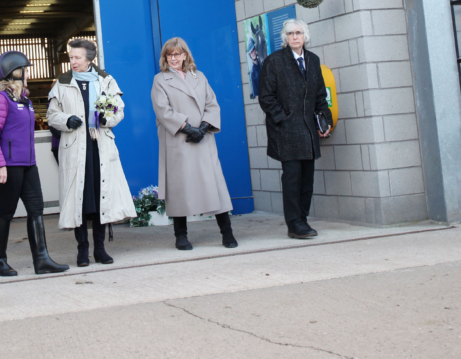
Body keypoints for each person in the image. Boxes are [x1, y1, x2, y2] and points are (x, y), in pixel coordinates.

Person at [47, 39, 136, 267]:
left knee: (100, 197)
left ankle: (100, 249)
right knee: (80, 200)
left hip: (100, 146)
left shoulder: (105, 81)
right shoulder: (63, 82)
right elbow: (52, 115)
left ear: (89, 59)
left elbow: (117, 108)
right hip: (75, 147)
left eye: (77, 57)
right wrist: (67, 119)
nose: (73, 61)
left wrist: (106, 118)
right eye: (71, 57)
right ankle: (82, 250)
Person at [0, 51, 68, 277]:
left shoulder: (24, 99)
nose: (28, 74)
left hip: (27, 164)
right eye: (25, 70)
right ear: (14, 72)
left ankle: (42, 260)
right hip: (8, 165)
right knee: (6, 212)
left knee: (36, 209)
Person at [151, 37, 238, 251]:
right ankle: (181, 236)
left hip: (203, 138)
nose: (173, 58)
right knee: (179, 188)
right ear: (165, 58)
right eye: (169, 55)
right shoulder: (160, 80)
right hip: (179, 139)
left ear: (185, 55)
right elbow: (163, 110)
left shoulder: (199, 77)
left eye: (177, 54)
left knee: (214, 185)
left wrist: (203, 128)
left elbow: (212, 104)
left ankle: (227, 233)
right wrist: (188, 128)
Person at [258, 18, 331, 239]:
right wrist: (284, 119)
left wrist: (323, 121)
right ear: (285, 38)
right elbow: (266, 97)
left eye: (298, 33)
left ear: (305, 36)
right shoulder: (274, 61)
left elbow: (320, 96)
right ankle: (294, 223)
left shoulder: (313, 60)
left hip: (308, 130)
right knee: (292, 177)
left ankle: (302, 219)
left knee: (307, 178)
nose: (295, 37)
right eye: (290, 34)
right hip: (286, 130)